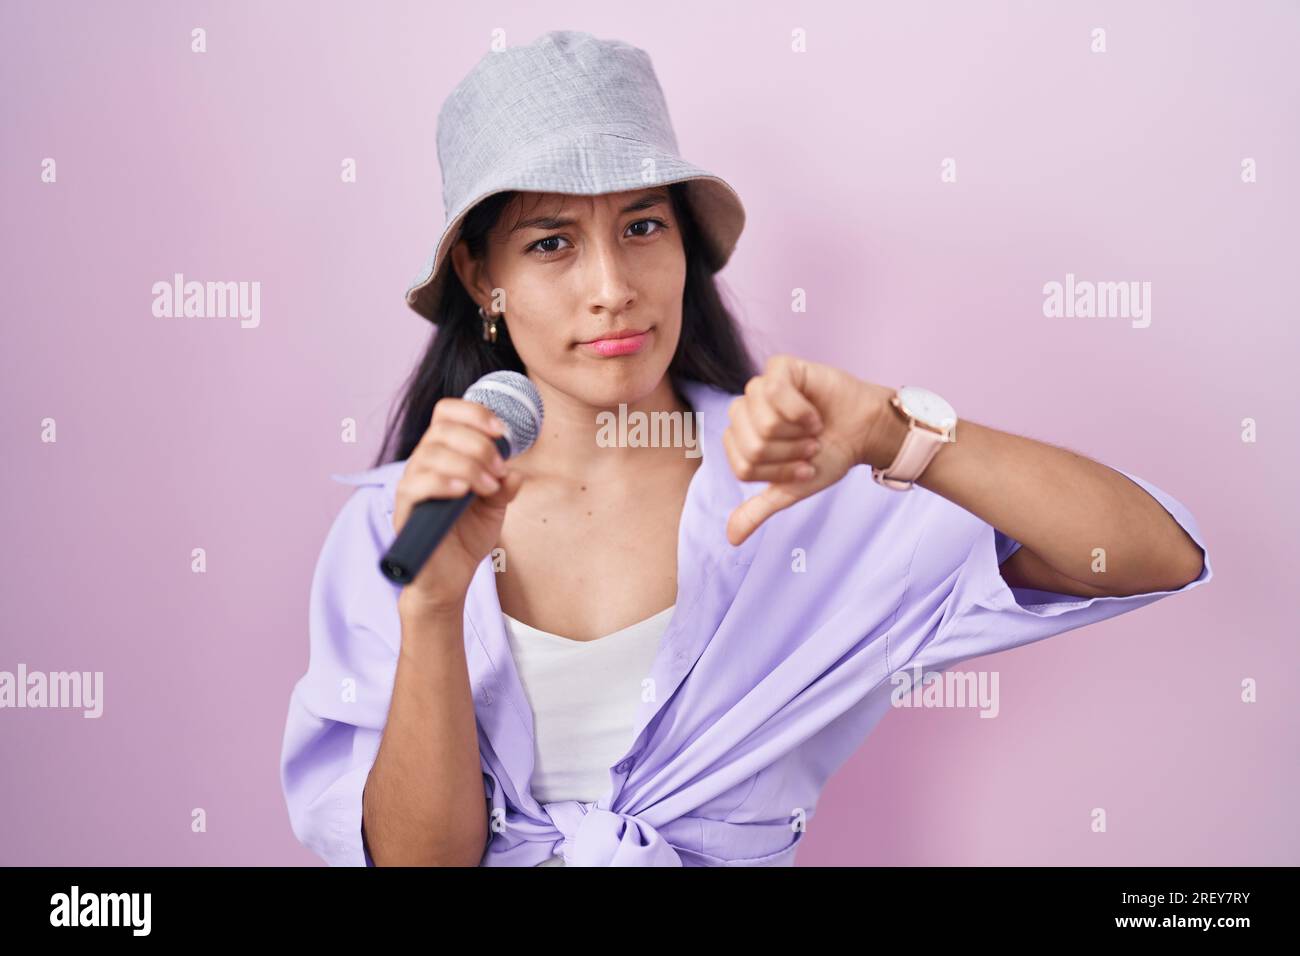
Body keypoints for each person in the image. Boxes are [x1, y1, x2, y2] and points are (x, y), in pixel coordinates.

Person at [279, 30, 1211, 867]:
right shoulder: (396, 527)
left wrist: (896, 429)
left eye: (643, 226)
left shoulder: (805, 476)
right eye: (553, 243)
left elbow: (1152, 555)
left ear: (685, 244)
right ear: (484, 276)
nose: (612, 288)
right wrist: (433, 607)